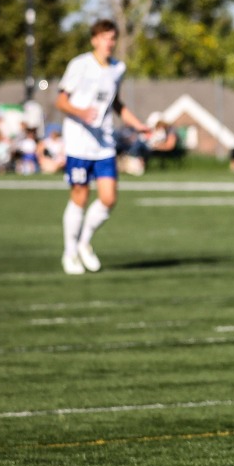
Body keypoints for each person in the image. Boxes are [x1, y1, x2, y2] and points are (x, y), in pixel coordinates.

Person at [54, 19, 149, 275]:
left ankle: (84, 243)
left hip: (104, 143)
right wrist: (81, 112)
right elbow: (61, 101)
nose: (110, 43)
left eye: (113, 38)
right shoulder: (80, 65)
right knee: (80, 197)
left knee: (108, 198)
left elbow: (116, 104)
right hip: (78, 142)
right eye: (106, 37)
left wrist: (137, 124)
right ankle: (70, 251)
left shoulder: (118, 68)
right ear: (94, 39)